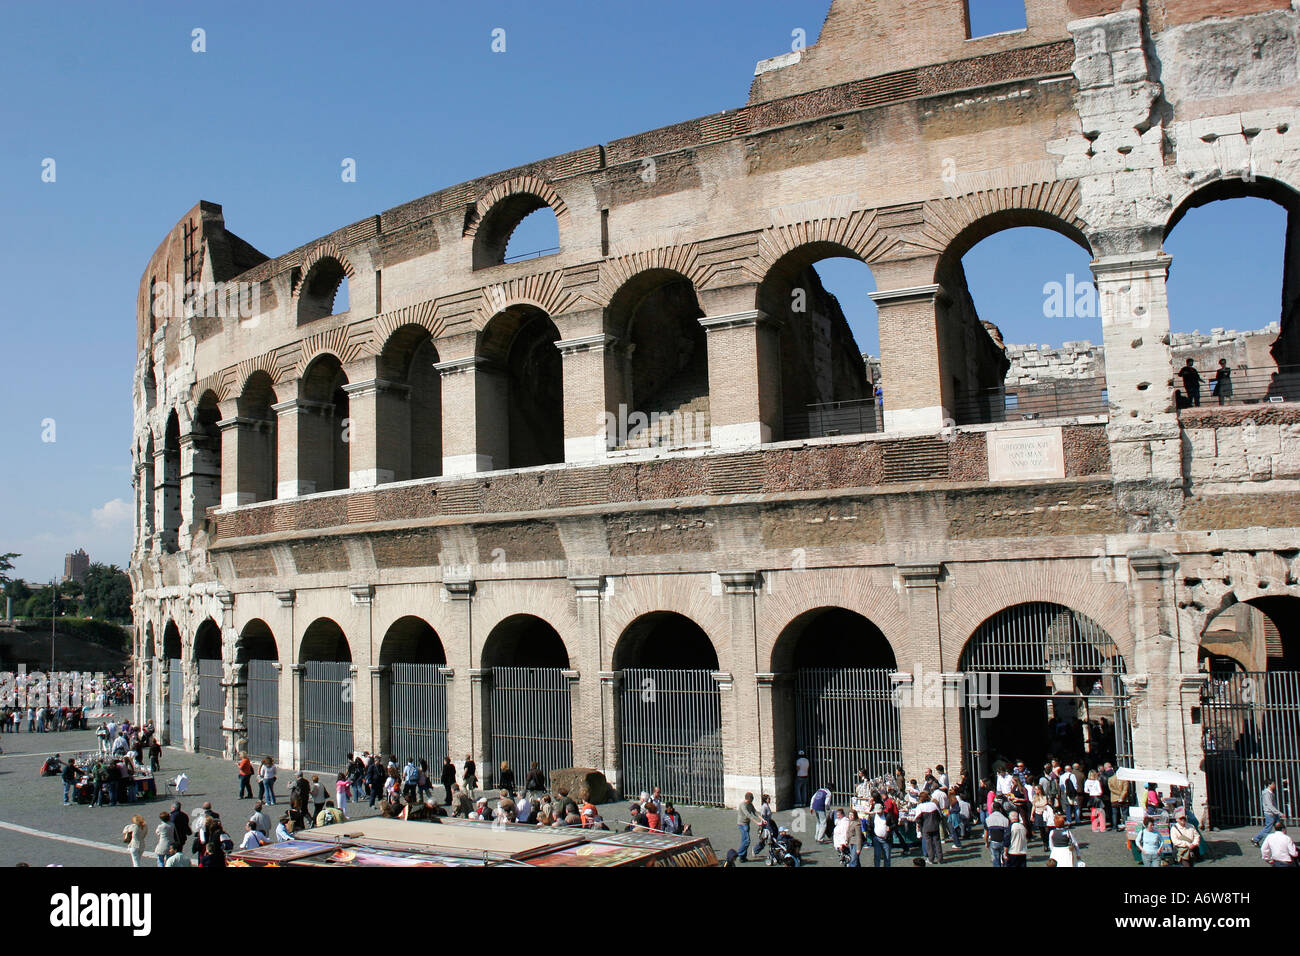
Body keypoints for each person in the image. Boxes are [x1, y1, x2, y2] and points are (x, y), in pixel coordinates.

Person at [1252, 779, 1283, 846]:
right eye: (1273, 784)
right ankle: (1255, 839)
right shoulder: (1267, 793)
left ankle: (1282, 841)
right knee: (1268, 829)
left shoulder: (1270, 792)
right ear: (1269, 785)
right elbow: (1269, 805)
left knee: (1280, 827)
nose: (1274, 785)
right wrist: (1279, 813)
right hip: (1270, 813)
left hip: (1273, 813)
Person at [736, 791, 762, 862]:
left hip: (747, 823)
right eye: (751, 799)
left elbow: (755, 812)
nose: (752, 801)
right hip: (742, 824)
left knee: (744, 840)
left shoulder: (750, 804)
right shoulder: (743, 805)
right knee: (747, 840)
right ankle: (738, 853)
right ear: (748, 799)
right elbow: (748, 815)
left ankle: (743, 857)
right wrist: (757, 823)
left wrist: (762, 819)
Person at [870, 802, 894, 867]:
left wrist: (890, 828)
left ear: (882, 810)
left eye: (879, 812)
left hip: (886, 839)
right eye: (877, 812)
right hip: (877, 839)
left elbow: (894, 824)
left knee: (887, 857)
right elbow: (870, 827)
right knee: (877, 856)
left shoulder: (888, 815)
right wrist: (873, 836)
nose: (878, 813)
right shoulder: (873, 816)